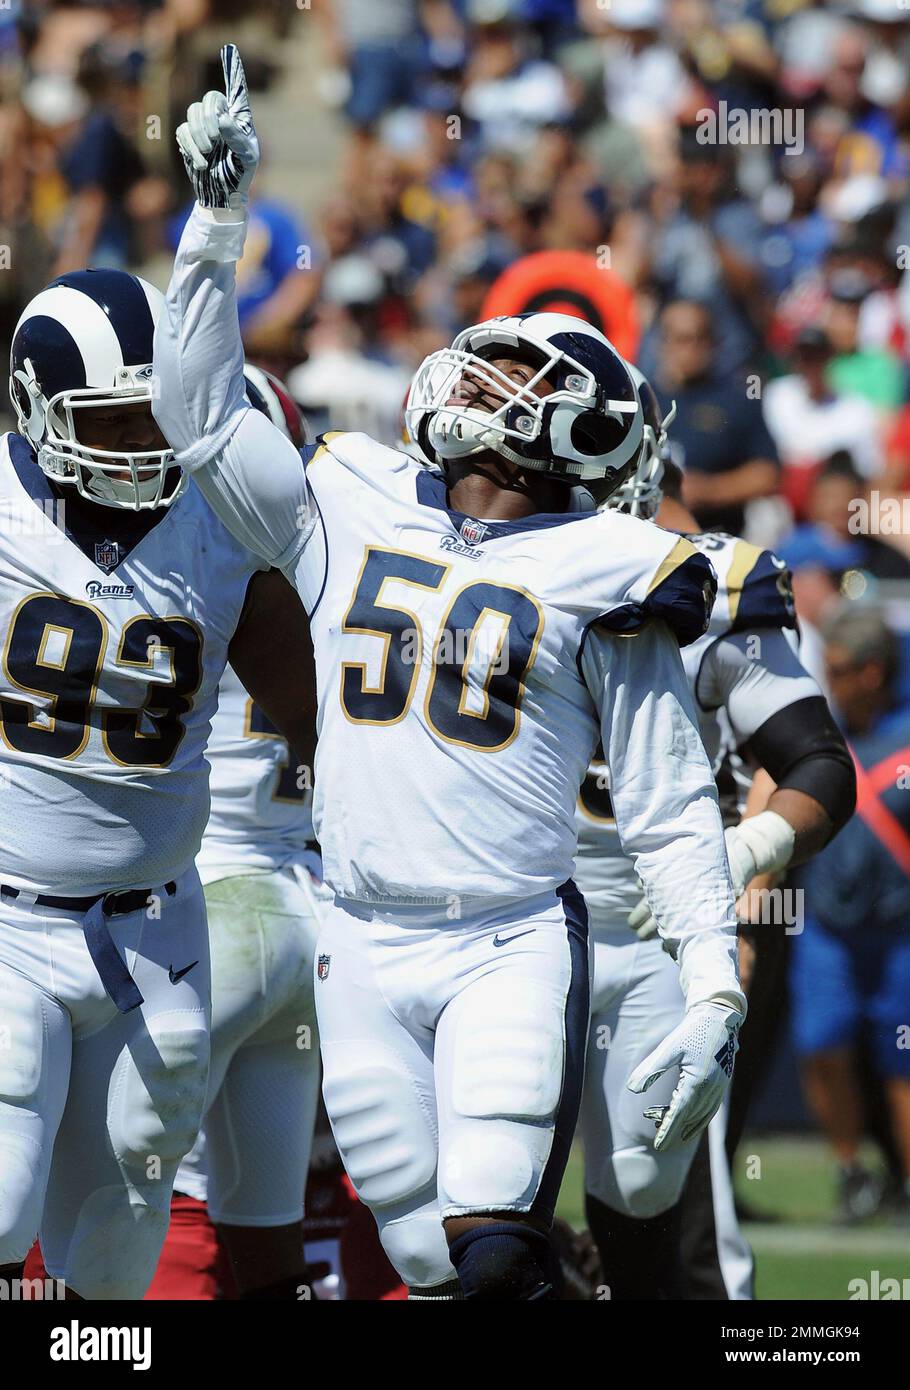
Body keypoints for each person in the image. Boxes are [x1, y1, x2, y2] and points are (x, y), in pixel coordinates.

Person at [152, 47, 746, 1302]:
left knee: (490, 1254)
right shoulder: (353, 497)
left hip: (507, 939)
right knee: (423, 1258)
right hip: (356, 937)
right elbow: (197, 412)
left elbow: (665, 794)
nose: (472, 374)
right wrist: (211, 228)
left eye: (505, 374)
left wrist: (711, 972)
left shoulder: (607, 565)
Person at [0, 268, 313, 1299]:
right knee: (2, 1202)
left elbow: (321, 708)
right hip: (9, 920)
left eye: (156, 415)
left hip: (158, 931)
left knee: (119, 1236)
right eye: (114, 418)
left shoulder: (222, 523)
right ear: (39, 408)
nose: (139, 443)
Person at [575, 368, 856, 1299]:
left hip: (666, 926)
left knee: (684, 1217)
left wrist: (734, 888)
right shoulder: (479, 558)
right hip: (517, 923)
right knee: (480, 1214)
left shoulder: (722, 584)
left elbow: (803, 762)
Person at [146, 367, 323, 1301]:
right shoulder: (325, 567)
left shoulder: (178, 563)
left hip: (203, 911)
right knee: (265, 1236)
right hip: (302, 914)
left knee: (134, 1195)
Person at [792, 606, 910, 1224]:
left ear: (871, 672)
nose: (828, 682)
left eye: (838, 671)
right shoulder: (815, 734)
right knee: (822, 1047)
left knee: (904, 1058)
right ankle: (852, 1175)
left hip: (901, 933)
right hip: (826, 930)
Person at [651, 299, 780, 538]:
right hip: (650, 534)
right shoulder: (642, 397)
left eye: (701, 338)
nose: (691, 349)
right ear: (662, 342)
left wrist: (709, 490)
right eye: (682, 339)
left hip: (715, 537)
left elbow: (767, 473)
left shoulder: (738, 398)